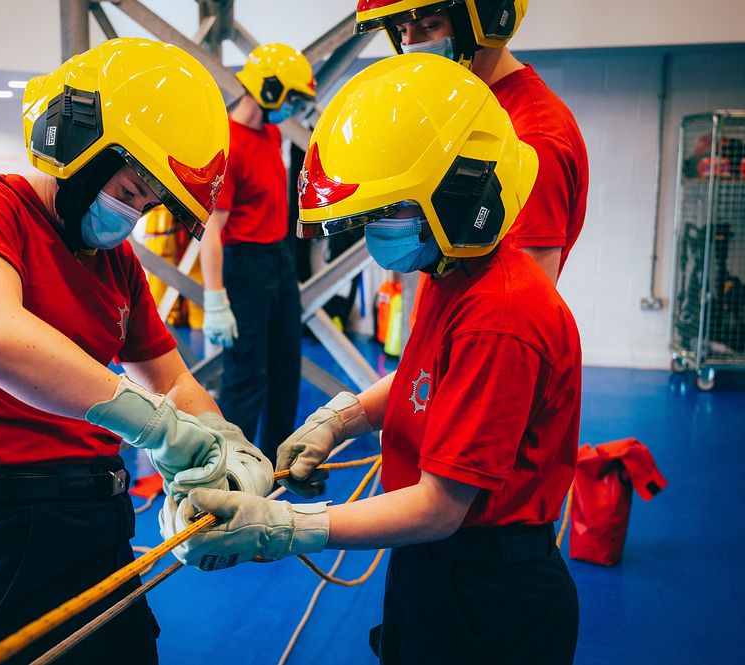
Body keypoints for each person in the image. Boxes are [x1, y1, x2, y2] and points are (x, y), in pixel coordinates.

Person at [161, 55, 581, 665]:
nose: (376, 230)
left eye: (390, 209)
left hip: (488, 592)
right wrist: (340, 420)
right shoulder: (456, 269)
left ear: (455, 192)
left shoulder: (501, 316)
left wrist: (283, 526)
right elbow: (422, 377)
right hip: (437, 565)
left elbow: (439, 508)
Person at [0, 39, 272, 665]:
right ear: (78, 145)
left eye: (147, 204)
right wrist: (158, 429)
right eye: (131, 190)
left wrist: (227, 446)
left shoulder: (116, 261)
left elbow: (172, 379)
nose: (133, 216)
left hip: (99, 518)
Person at [355, 0, 588, 285]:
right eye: (402, 31)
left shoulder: (534, 134)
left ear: (485, 20)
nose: (411, 46)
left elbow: (525, 292)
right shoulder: (464, 109)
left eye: (429, 26)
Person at [199, 43, 316, 463]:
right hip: (245, 266)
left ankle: (276, 466)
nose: (294, 109)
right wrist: (216, 298)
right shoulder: (229, 144)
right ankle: (234, 470)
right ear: (269, 90)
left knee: (286, 373)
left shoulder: (271, 134)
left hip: (279, 259)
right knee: (247, 378)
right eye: (292, 99)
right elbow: (213, 228)